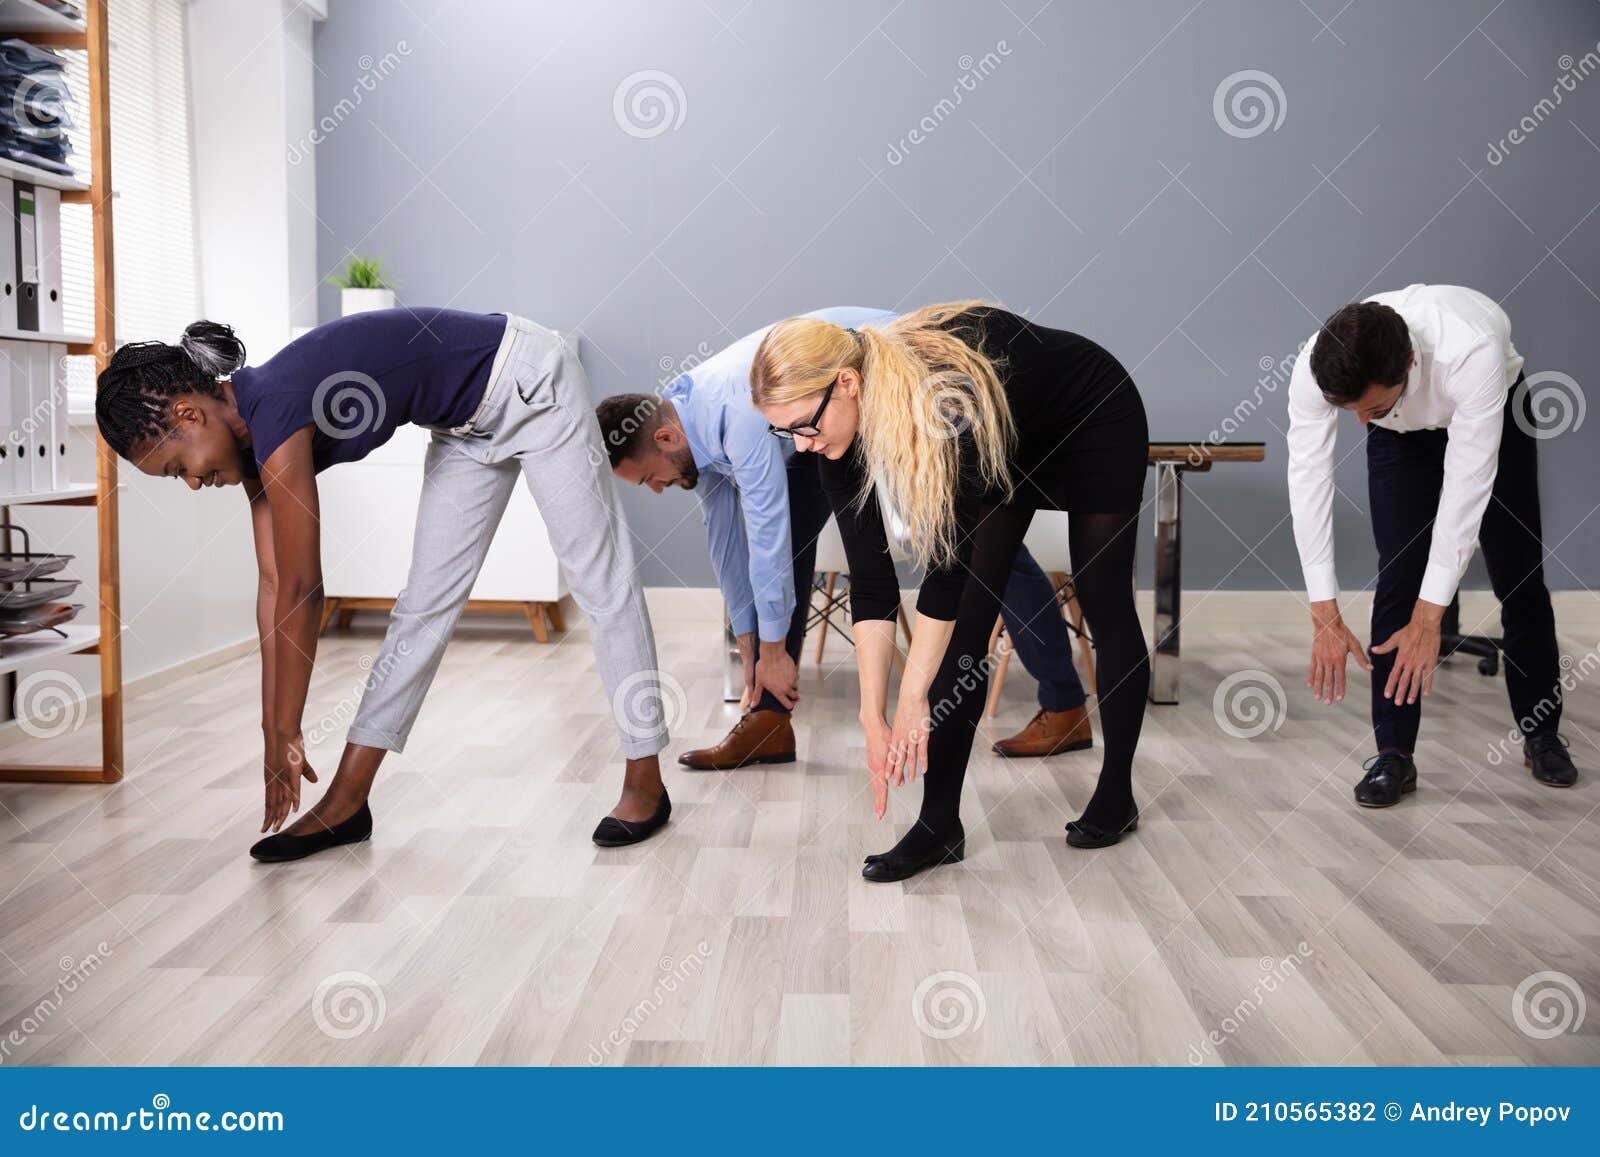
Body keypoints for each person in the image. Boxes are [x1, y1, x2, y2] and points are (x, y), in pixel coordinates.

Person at [93, 309, 673, 862]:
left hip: (529, 380)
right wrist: (273, 731)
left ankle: (645, 780)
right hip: (465, 425)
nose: (191, 484)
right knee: (422, 609)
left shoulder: (277, 405)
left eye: (178, 468)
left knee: (599, 578)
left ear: (190, 415)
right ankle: (347, 801)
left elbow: (302, 588)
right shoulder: (253, 443)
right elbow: (272, 583)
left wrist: (287, 731)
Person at [751, 301, 1149, 882]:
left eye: (803, 425)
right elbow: (872, 581)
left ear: (846, 384)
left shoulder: (945, 405)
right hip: (1008, 433)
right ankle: (939, 826)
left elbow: (947, 571)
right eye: (783, 431)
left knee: (1103, 598)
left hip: (1092, 414)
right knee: (966, 630)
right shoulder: (831, 436)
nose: (801, 445)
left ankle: (1117, 794)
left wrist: (913, 697)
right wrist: (872, 715)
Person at [1286, 283, 1578, 807]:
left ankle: (1542, 734)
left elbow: (1467, 491)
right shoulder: (1317, 364)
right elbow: (1308, 479)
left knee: (1518, 574)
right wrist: (1323, 611)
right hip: (1401, 433)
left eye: (1369, 407)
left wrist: (1430, 618)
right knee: (1398, 574)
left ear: (1408, 365)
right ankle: (1393, 753)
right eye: (1351, 410)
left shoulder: (1470, 351)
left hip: (1493, 406)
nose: (1359, 421)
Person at [595, 307, 892, 770]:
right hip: (826, 402)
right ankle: (768, 725)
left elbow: (767, 528)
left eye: (649, 477)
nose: (655, 489)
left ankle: (768, 720)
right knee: (786, 531)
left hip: (879, 375)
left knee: (970, 530)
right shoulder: (687, 426)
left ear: (666, 438)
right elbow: (726, 542)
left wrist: (773, 651)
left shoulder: (737, 413)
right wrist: (748, 643)